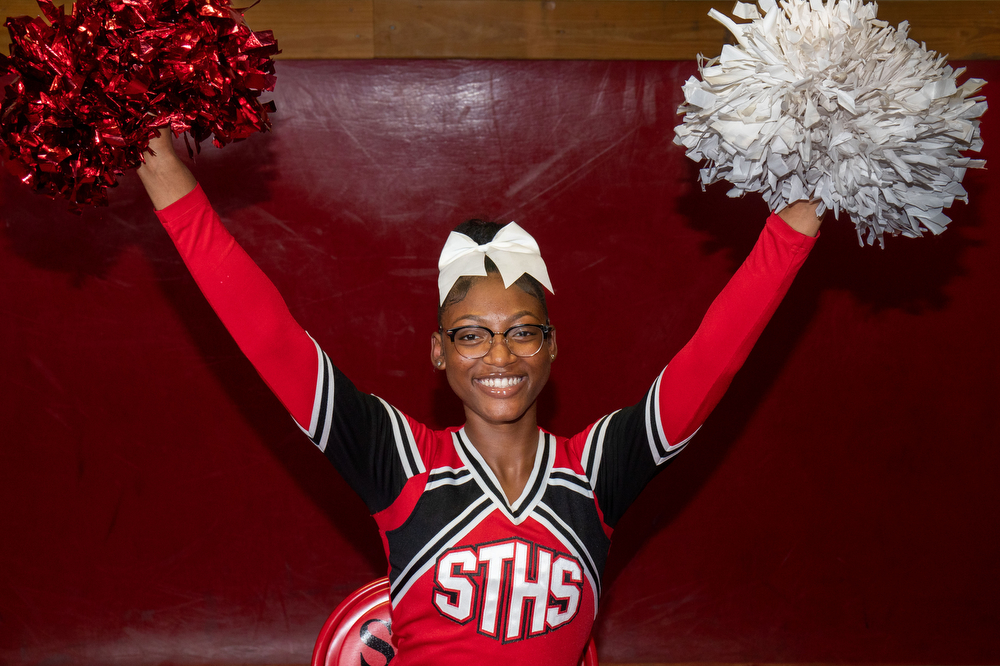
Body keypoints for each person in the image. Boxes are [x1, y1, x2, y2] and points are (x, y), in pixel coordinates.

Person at [137, 128, 821, 666]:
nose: (500, 355)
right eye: (471, 335)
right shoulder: (401, 461)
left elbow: (713, 356)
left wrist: (800, 216)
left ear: (552, 346)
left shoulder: (595, 472)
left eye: (524, 332)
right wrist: (163, 172)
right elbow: (270, 338)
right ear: (439, 353)